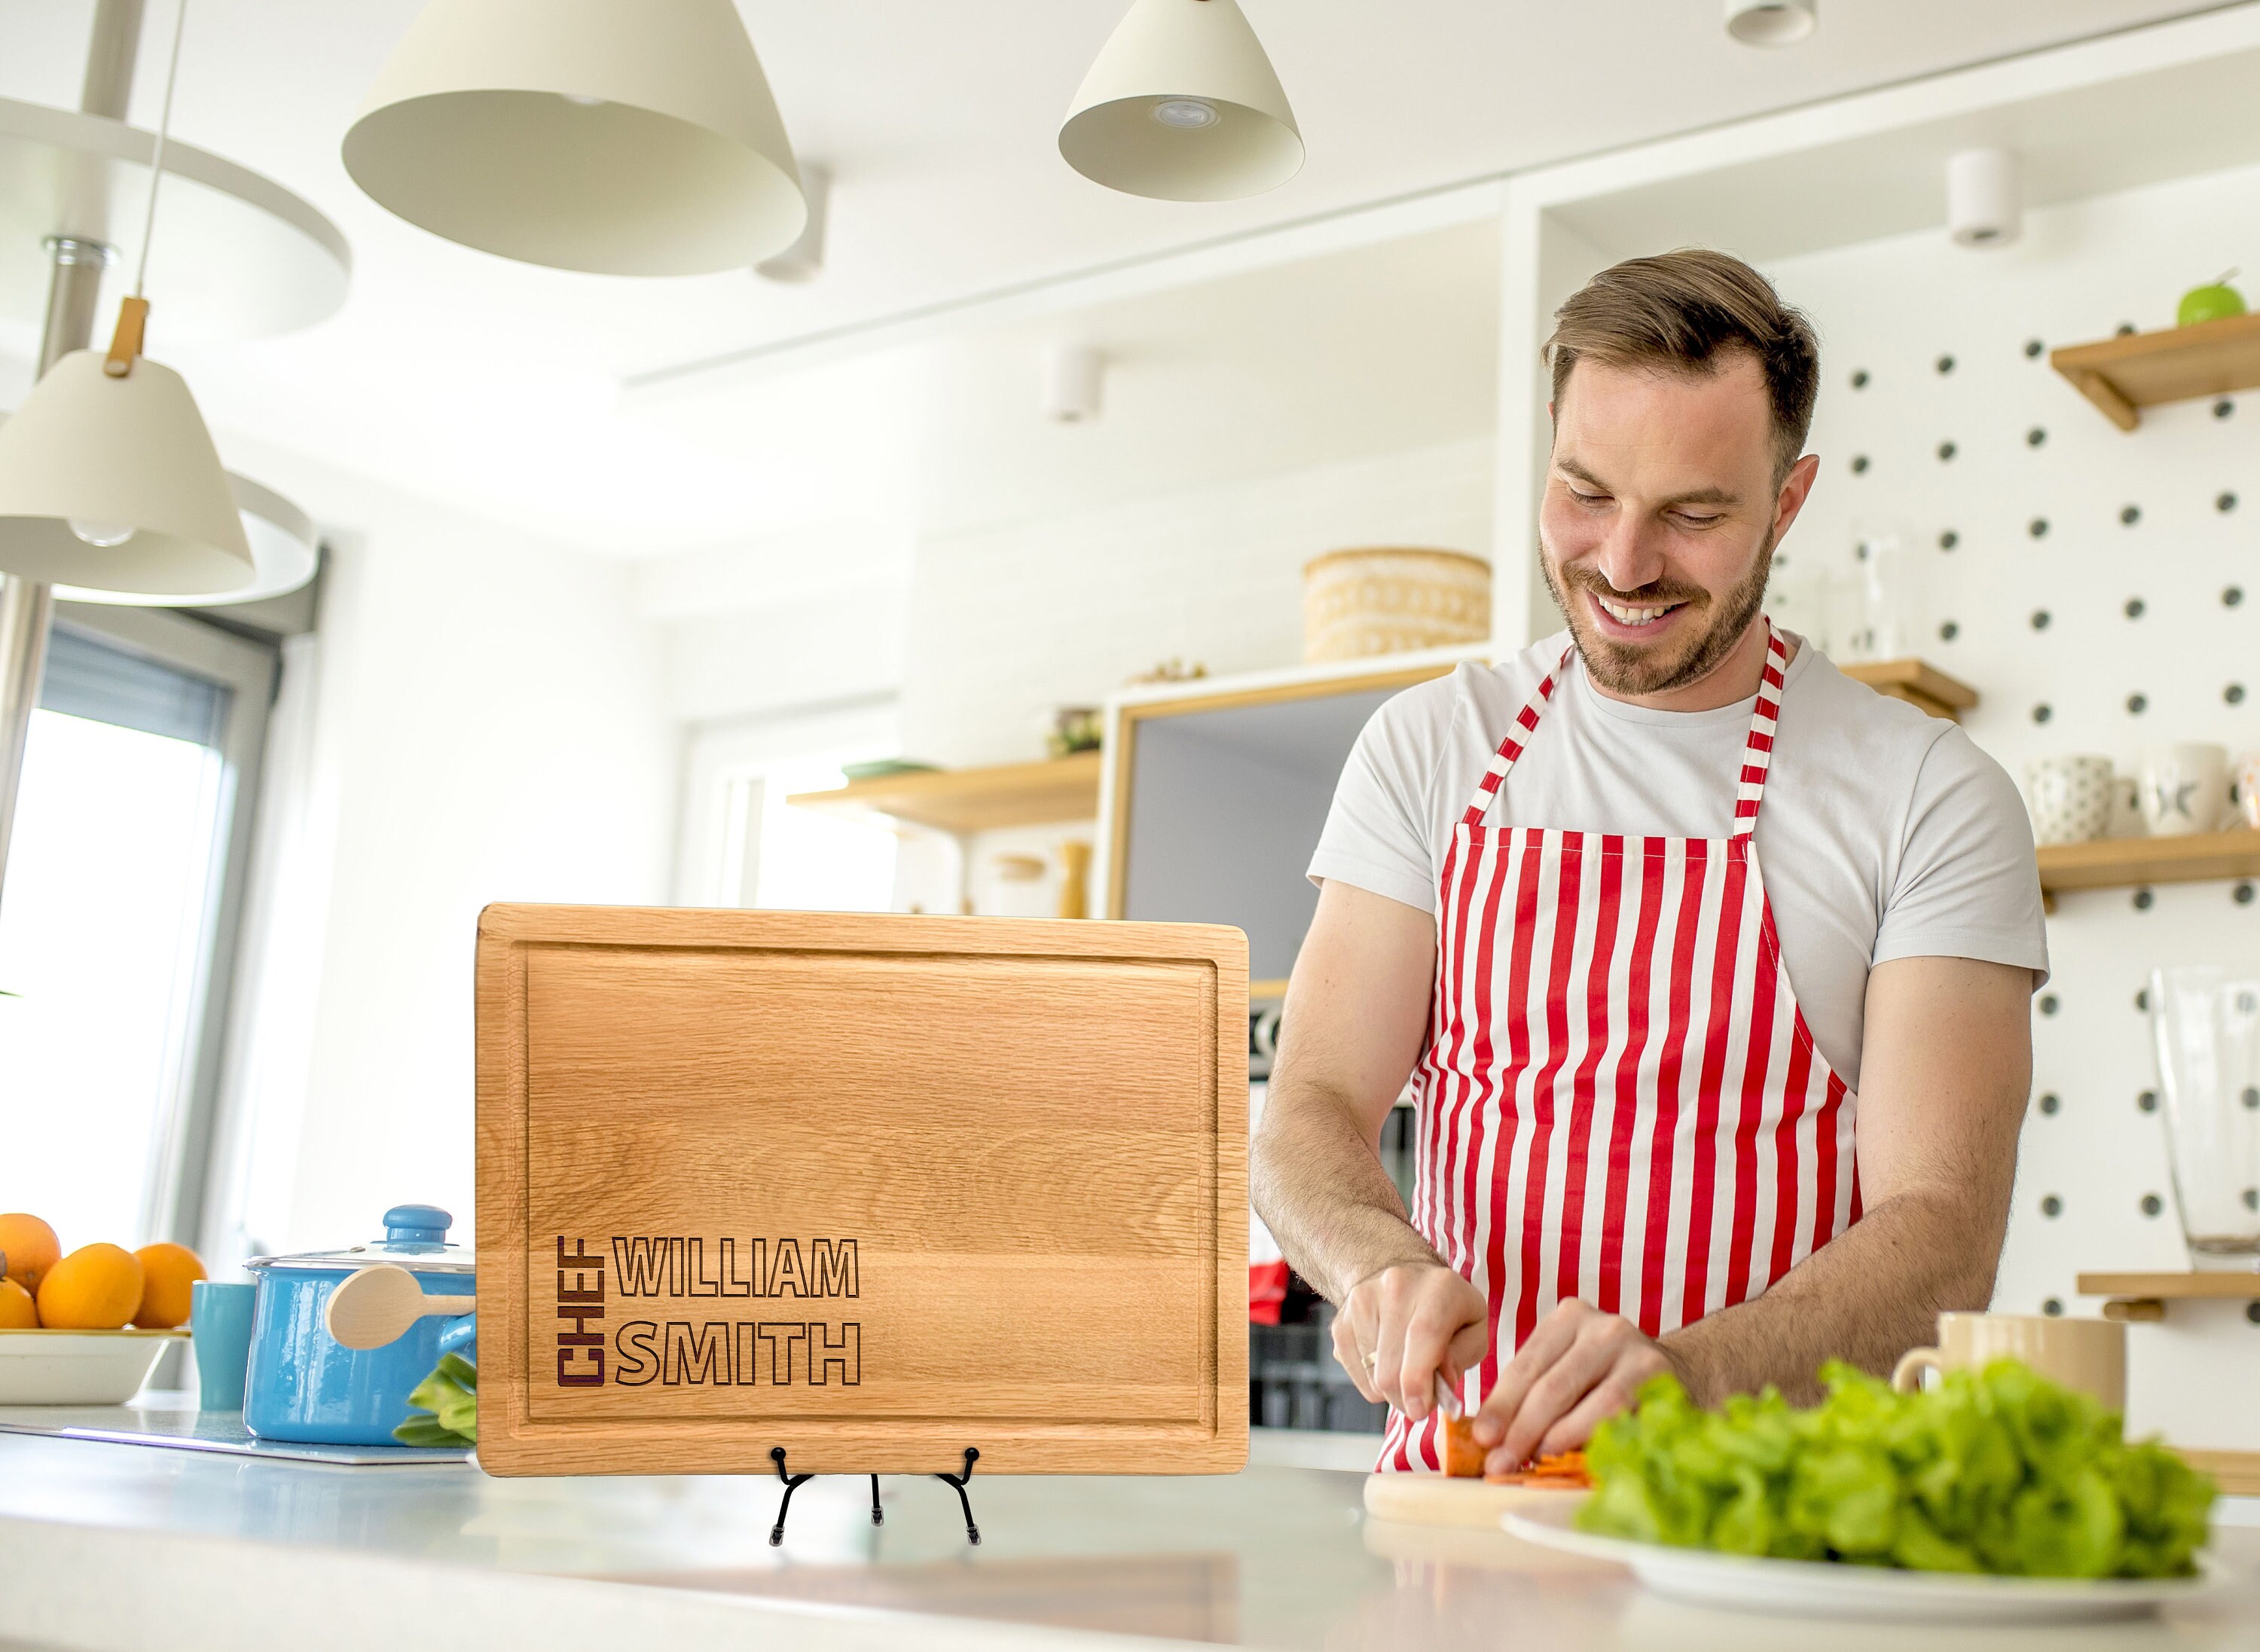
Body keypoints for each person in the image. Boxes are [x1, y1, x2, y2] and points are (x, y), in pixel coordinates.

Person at [1251, 249, 2047, 1476]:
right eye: (1585, 493)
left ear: (1787, 503)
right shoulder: (1432, 746)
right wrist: (1378, 1261)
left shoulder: (1928, 794)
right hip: (1464, 1505)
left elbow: (1942, 1233)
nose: (1622, 562)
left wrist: (1687, 1378)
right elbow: (1305, 1108)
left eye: (1693, 513)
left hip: (1773, 1525)